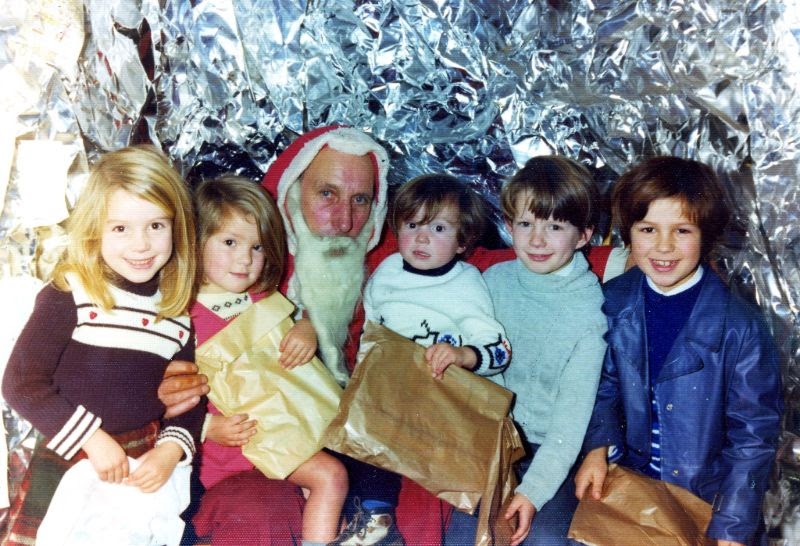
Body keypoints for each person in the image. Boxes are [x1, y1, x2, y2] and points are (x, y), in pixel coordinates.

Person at [573, 157, 783, 546]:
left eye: (682, 230)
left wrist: (732, 530)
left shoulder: (741, 327)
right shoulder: (612, 302)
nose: (664, 247)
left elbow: (753, 438)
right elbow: (601, 384)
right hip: (629, 486)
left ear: (706, 235)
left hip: (706, 500)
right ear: (629, 234)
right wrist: (597, 448)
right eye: (648, 229)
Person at [1, 145, 204, 544]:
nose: (141, 245)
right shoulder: (70, 293)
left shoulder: (175, 314)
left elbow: (188, 402)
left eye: (156, 226)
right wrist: (92, 440)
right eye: (121, 228)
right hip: (70, 455)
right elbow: (21, 384)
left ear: (176, 227)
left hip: (140, 461)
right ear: (95, 228)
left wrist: (169, 451)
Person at [330, 173, 511, 545]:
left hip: (444, 400)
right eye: (412, 225)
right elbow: (372, 331)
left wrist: (463, 355)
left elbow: (499, 350)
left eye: (439, 228)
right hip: (393, 394)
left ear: (463, 241)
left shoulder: (465, 284)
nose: (422, 238)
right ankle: (377, 515)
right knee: (346, 434)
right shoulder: (387, 273)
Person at [444, 156, 607, 546]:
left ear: (584, 236)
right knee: (465, 536)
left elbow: (570, 424)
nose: (536, 240)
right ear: (508, 223)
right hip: (491, 445)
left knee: (544, 538)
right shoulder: (492, 281)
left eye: (554, 227)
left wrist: (530, 494)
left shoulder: (590, 312)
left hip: (556, 453)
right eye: (525, 223)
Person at [190, 175, 348, 545]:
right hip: (236, 453)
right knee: (331, 477)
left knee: (322, 488)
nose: (245, 259)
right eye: (229, 242)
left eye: (257, 247)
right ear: (196, 242)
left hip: (287, 434)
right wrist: (205, 429)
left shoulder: (262, 298)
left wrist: (306, 328)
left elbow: (298, 325)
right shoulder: (186, 317)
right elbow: (161, 396)